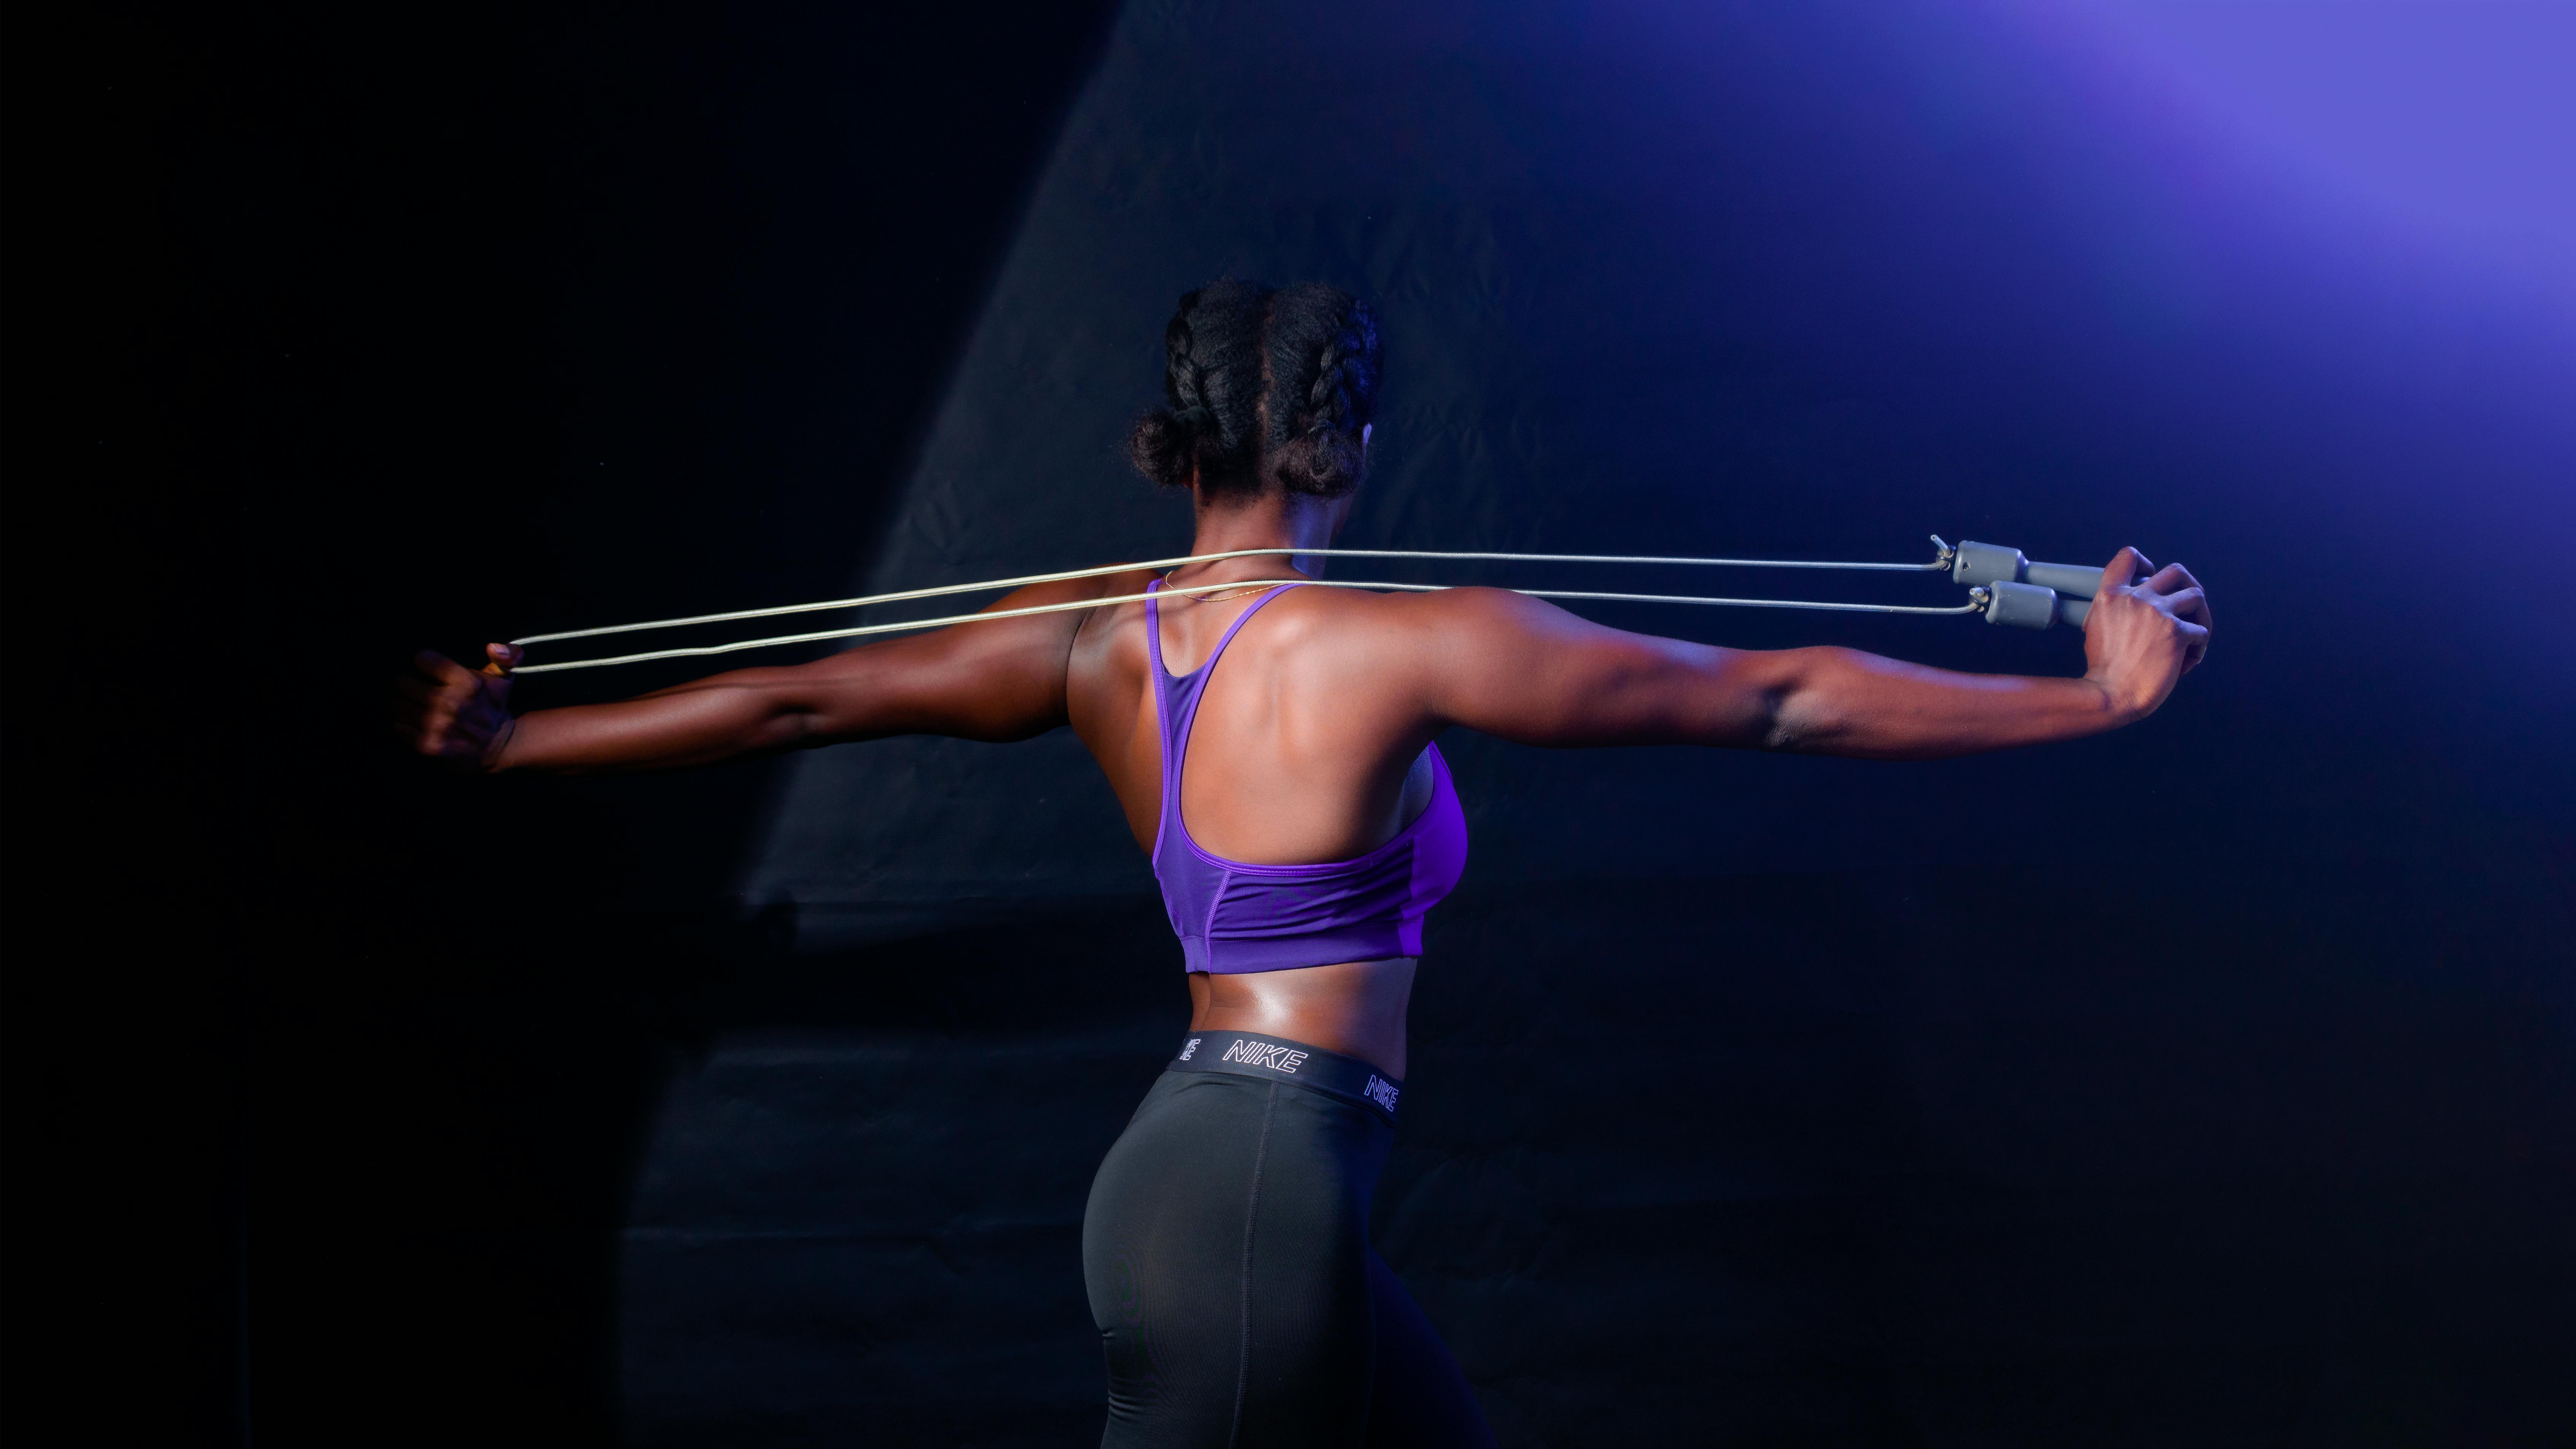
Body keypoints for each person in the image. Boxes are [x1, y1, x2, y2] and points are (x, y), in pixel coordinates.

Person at [399, 279, 2211, 1447]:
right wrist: (2091, 698)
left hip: (1210, 1184)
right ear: (1346, 439)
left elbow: (802, 696)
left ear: (1180, 438)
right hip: (1256, 1192)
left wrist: (517, 740)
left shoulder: (1091, 636)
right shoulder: (1404, 643)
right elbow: (1776, 701)